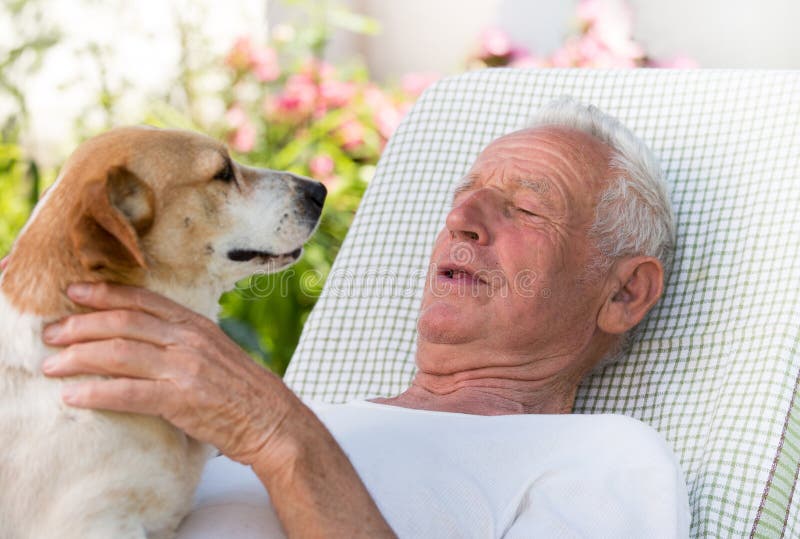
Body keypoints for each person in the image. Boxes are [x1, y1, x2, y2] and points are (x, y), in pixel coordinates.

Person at [17, 98, 689, 537]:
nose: (461, 219)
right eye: (465, 196)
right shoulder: (255, 421)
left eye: (526, 208)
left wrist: (279, 436)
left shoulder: (608, 459)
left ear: (625, 293)